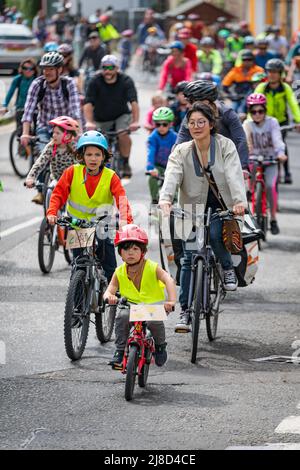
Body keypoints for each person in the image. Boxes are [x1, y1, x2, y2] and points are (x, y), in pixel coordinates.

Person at [159, 103, 247, 332]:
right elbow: (172, 174)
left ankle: (227, 267)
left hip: (222, 206)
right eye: (192, 122)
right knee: (188, 259)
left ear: (210, 124)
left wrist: (238, 201)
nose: (197, 126)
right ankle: (186, 312)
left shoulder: (225, 145)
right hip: (190, 209)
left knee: (217, 236)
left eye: (201, 122)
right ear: (187, 126)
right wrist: (166, 199)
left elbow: (233, 173)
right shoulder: (182, 150)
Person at [47, 131, 133, 282]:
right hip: (77, 224)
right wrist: (52, 212)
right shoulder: (72, 172)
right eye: (89, 154)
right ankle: (77, 300)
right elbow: (58, 194)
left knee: (107, 259)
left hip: (101, 225)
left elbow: (122, 200)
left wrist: (126, 221)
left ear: (104, 156)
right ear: (82, 156)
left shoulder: (111, 176)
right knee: (78, 264)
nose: (93, 159)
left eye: (97, 155)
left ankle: (112, 290)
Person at [104, 224, 176, 369]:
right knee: (122, 317)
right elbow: (110, 289)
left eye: (135, 249)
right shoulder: (119, 271)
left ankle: (160, 346)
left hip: (152, 306)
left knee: (154, 323)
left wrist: (171, 301)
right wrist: (109, 296)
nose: (130, 253)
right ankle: (119, 351)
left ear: (143, 252)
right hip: (130, 306)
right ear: (120, 253)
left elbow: (168, 279)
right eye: (126, 249)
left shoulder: (152, 267)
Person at [21, 52, 82, 204]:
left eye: (50, 69)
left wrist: (77, 134)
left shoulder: (69, 84)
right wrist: (25, 133)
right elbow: (28, 111)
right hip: (45, 127)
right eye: (44, 69)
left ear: (59, 70)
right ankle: (42, 192)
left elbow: (75, 111)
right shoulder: (37, 84)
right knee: (43, 152)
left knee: (74, 159)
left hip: (67, 129)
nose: (46, 72)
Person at [84, 55, 140, 178]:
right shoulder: (94, 81)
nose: (108, 71)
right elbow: (88, 103)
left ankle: (125, 162)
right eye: (104, 68)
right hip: (100, 118)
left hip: (121, 115)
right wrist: (89, 122)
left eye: (111, 67)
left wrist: (135, 122)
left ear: (117, 68)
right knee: (100, 142)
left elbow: (134, 102)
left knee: (122, 134)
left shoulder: (126, 80)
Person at [177, 80, 249, 169]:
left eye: (191, 101)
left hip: (226, 160)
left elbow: (240, 140)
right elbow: (181, 139)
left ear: (206, 102)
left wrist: (243, 167)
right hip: (202, 161)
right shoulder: (191, 115)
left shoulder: (227, 114)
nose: (187, 105)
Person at [243, 93, 287, 235]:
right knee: (246, 180)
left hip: (271, 160)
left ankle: (273, 219)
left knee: (269, 186)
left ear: (265, 110)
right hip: (253, 159)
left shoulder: (272, 122)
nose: (257, 114)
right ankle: (250, 191)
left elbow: (277, 139)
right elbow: (245, 143)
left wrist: (280, 153)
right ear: (250, 112)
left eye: (260, 111)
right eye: (253, 111)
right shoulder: (247, 124)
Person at [254, 58, 300, 184]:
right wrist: (249, 120)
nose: (271, 74)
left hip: (281, 122)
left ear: (280, 74)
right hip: (264, 121)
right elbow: (252, 105)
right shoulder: (262, 87)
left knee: (280, 144)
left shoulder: (285, 88)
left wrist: (298, 120)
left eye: (275, 72)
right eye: (269, 71)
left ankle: (286, 172)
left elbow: (293, 104)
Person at [25, 116, 79, 189]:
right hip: (56, 180)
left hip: (72, 181)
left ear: (67, 136)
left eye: (57, 133)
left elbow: (82, 165)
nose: (54, 135)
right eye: (53, 132)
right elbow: (40, 162)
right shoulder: (51, 146)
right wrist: (31, 177)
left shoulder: (74, 148)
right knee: (51, 191)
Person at [146, 107, 177, 205]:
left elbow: (178, 153)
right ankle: (154, 199)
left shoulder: (175, 137)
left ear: (171, 124)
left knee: (177, 183)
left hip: (171, 166)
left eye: (164, 124)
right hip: (158, 166)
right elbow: (151, 152)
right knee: (151, 179)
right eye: (158, 124)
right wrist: (151, 168)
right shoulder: (153, 137)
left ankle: (175, 200)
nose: (161, 127)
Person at [1, 58, 38, 137]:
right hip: (21, 108)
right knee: (21, 135)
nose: (28, 71)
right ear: (21, 69)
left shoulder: (38, 80)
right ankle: (22, 148)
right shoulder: (18, 79)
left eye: (30, 69)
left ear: (34, 70)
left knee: (37, 132)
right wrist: (4, 106)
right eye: (25, 68)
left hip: (35, 109)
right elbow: (10, 93)